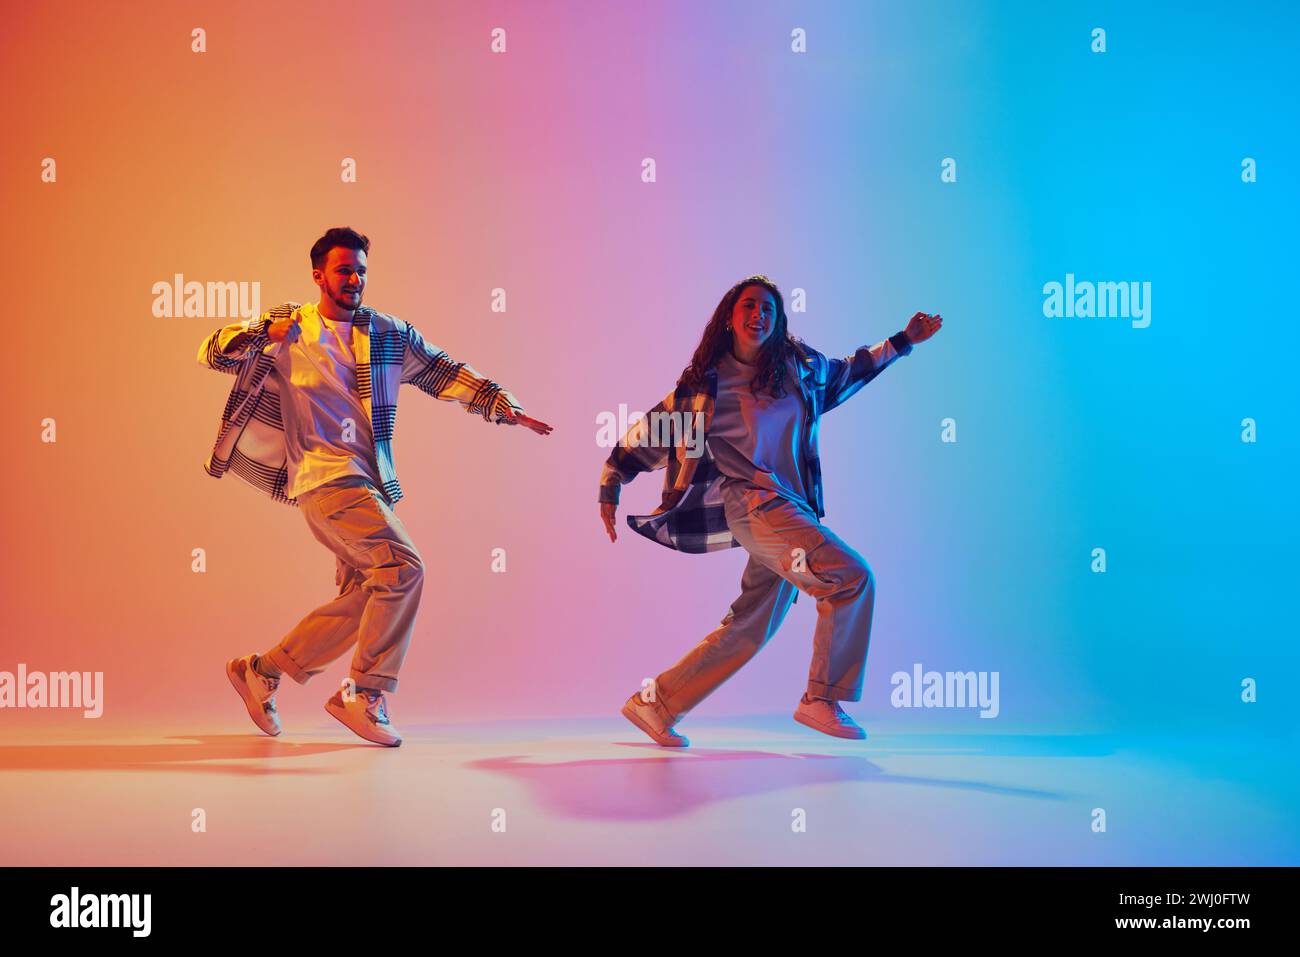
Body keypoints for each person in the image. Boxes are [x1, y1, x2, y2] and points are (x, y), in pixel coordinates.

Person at [198, 226, 552, 746]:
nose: (355, 279)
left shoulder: (385, 333)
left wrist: (501, 406)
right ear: (319, 275)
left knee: (372, 592)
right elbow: (212, 352)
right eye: (344, 270)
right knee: (404, 568)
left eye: (361, 270)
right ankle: (363, 694)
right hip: (323, 477)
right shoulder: (288, 328)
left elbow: (441, 370)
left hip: (368, 484)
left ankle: (262, 672)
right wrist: (259, 335)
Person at [599, 275, 941, 746]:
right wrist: (611, 481)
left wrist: (904, 341)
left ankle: (656, 704)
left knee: (750, 625)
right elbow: (651, 432)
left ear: (778, 321)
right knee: (851, 577)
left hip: (791, 509)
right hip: (753, 505)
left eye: (767, 309)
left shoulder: (798, 370)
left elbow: (849, 371)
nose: (758, 314)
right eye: (748, 306)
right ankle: (821, 698)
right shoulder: (704, 388)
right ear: (730, 317)